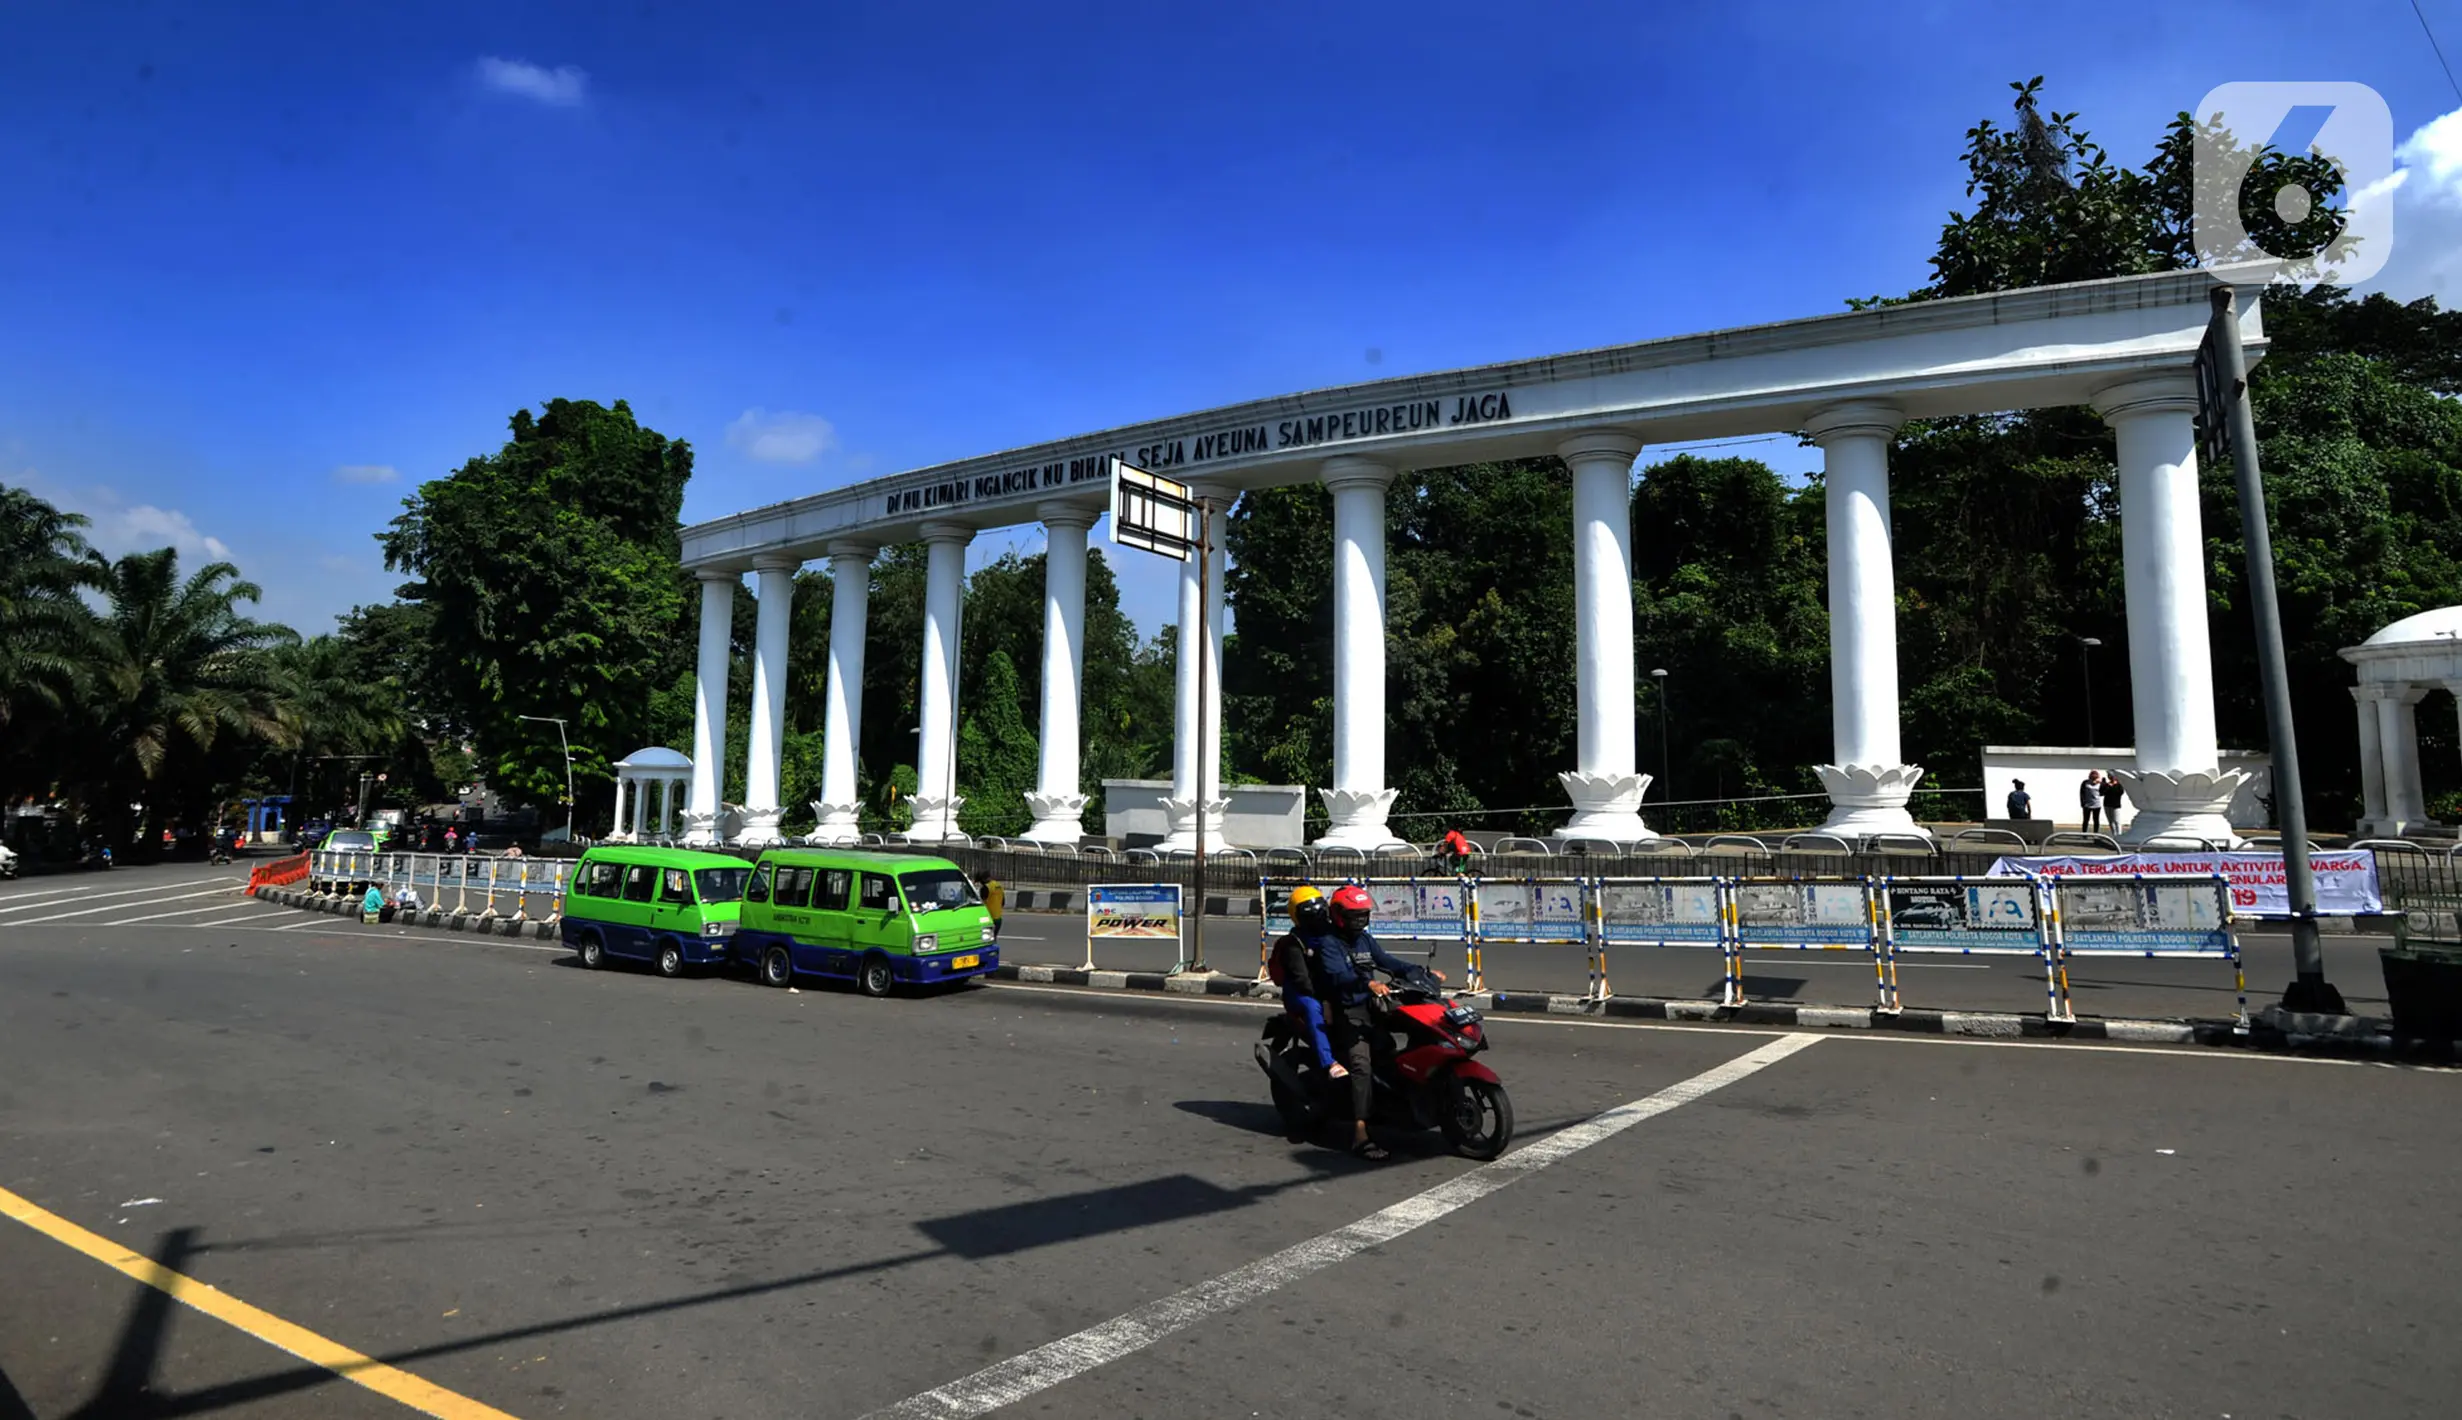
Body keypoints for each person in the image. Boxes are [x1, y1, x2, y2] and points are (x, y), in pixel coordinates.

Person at [1304, 883, 1445, 1163]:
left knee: (1417, 1025)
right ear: (1339, 914)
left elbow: (1387, 961)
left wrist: (1421, 972)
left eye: (1363, 915)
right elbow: (1338, 976)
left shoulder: (1365, 940)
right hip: (1347, 1010)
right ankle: (1360, 1134)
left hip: (1373, 1004)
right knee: (1361, 1065)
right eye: (1355, 916)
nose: (1360, 921)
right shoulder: (1330, 944)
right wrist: (1368, 982)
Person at [1270, 886, 1343, 1079]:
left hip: (1329, 989)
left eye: (1320, 911)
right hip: (1301, 994)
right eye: (1311, 914)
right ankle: (1329, 1062)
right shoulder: (1293, 944)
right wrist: (1326, 999)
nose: (1318, 918)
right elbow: (1302, 981)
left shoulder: (1331, 936)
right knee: (1313, 1008)